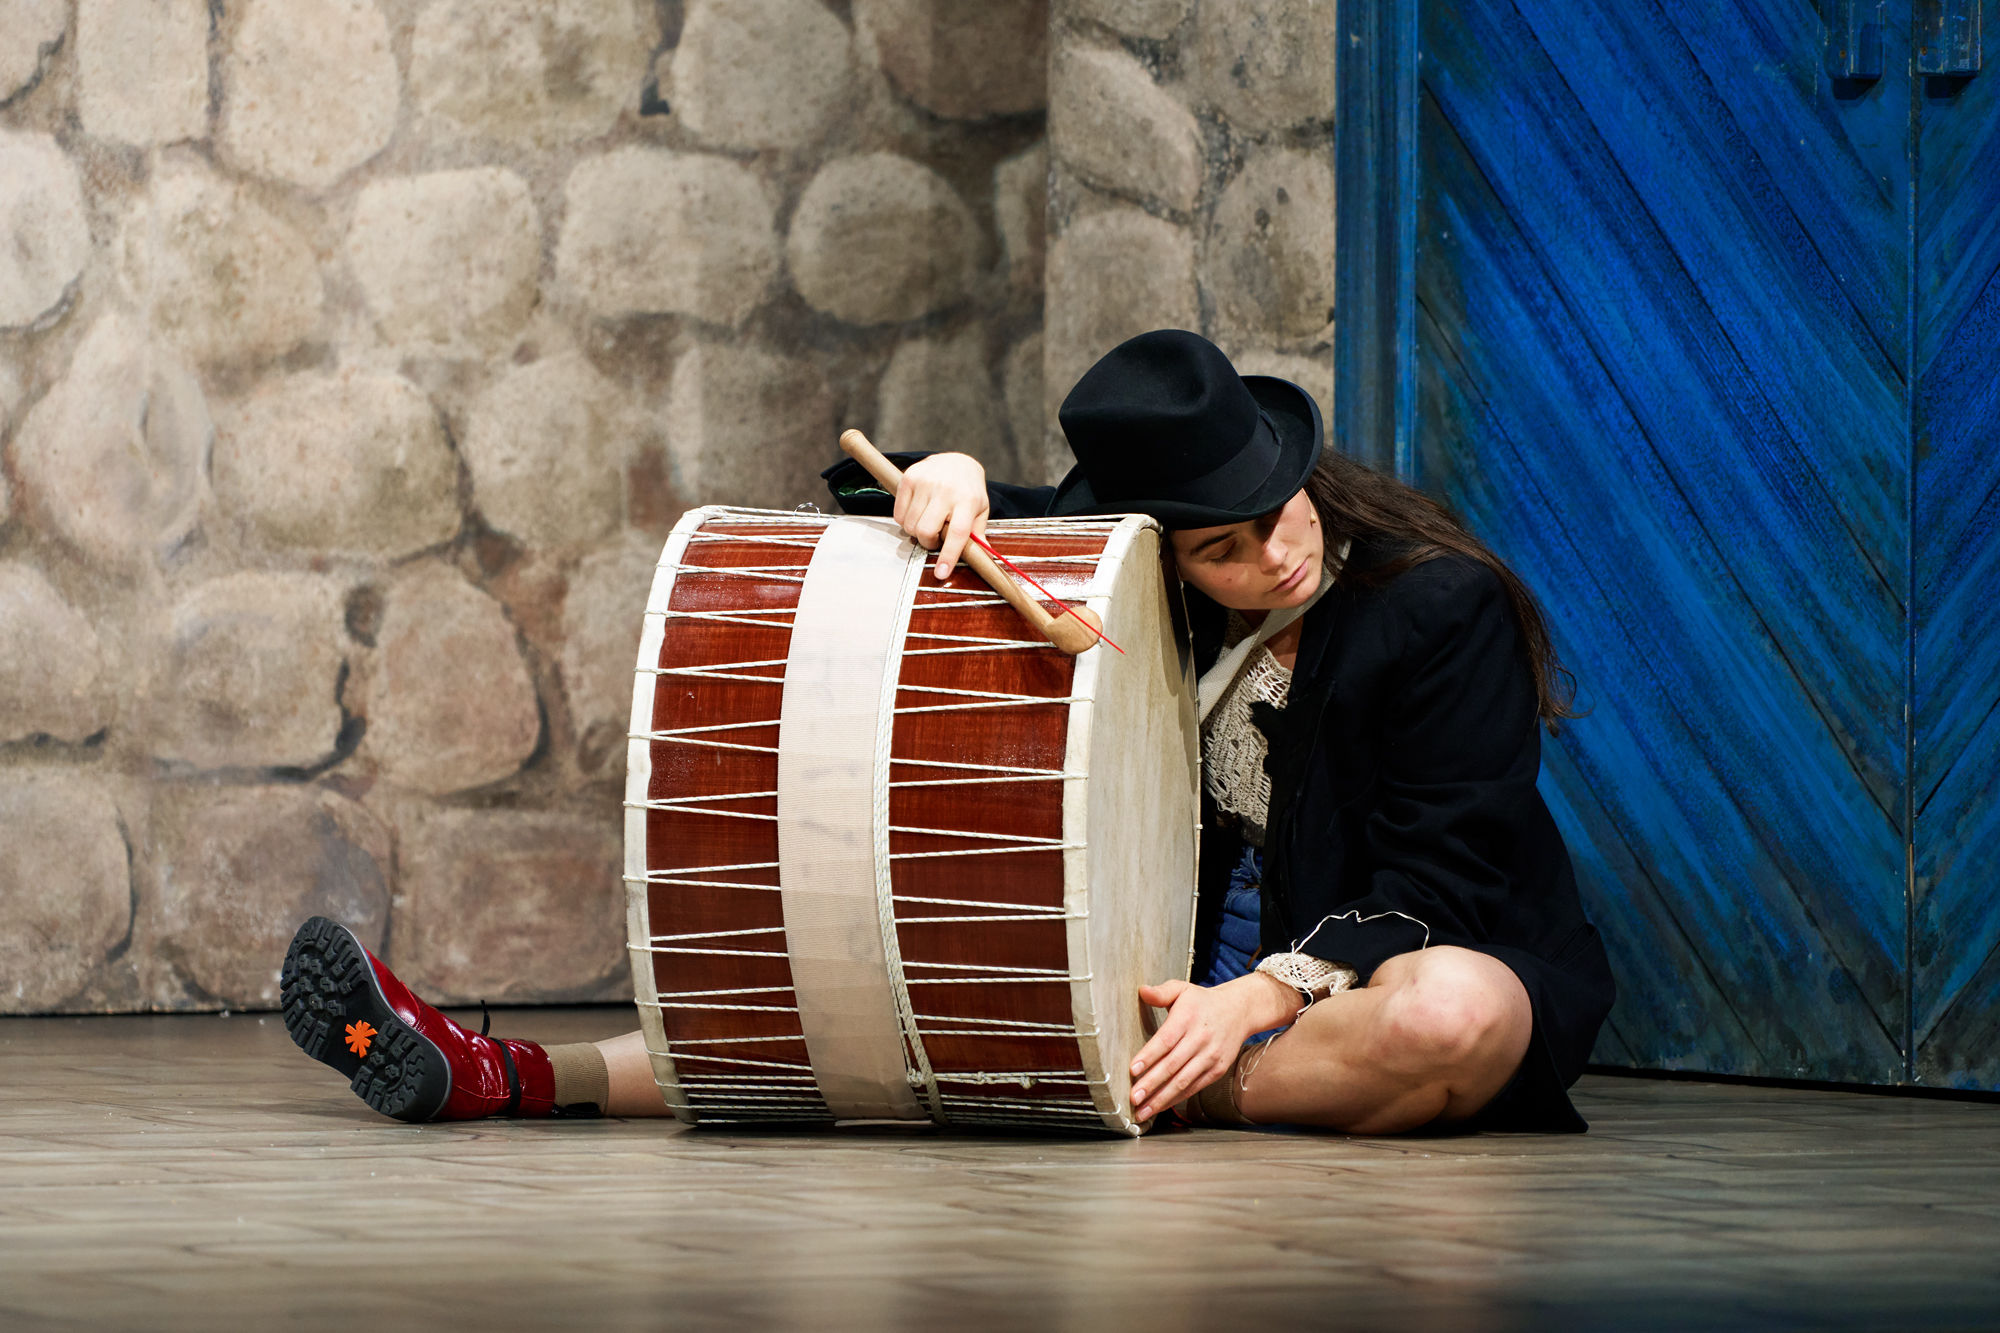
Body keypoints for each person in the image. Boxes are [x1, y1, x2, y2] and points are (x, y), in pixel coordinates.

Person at [281, 328, 1614, 1134]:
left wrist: (1253, 1002)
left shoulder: (1436, 611)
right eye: (1226, 546)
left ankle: (1162, 1087)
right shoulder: (1130, 574)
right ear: (1154, 548)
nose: (1281, 549)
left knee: (1457, 1011)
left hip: (1365, 982)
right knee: (863, 1002)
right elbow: (948, 504)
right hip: (1150, 972)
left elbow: (1438, 883)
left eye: (1285, 506)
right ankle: (499, 1072)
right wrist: (954, 476)